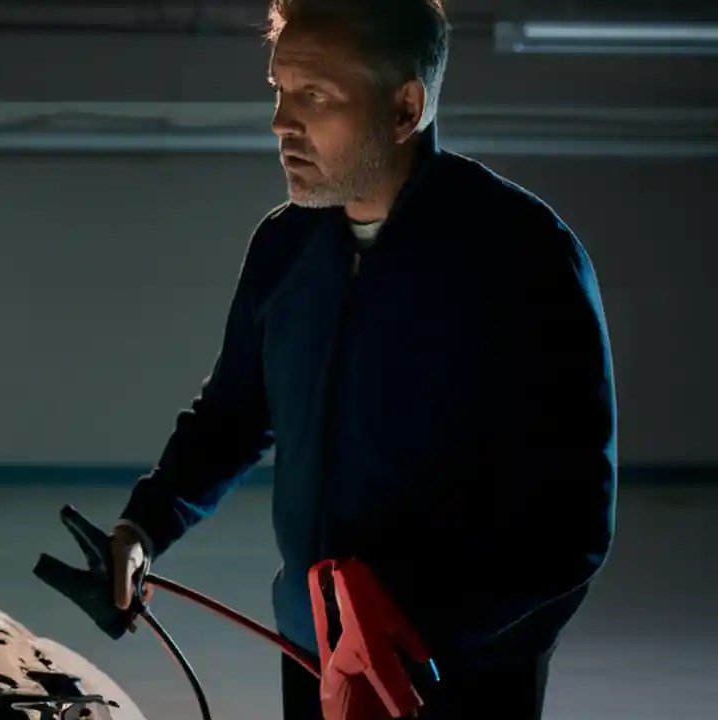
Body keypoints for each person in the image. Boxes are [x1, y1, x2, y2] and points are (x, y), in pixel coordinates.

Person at [108, 0, 619, 717]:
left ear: (405, 107)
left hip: (456, 675)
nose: (282, 122)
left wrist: (419, 637)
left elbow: (572, 522)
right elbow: (231, 414)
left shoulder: (523, 258)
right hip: (314, 650)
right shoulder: (284, 248)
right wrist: (144, 525)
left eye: (315, 96)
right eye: (279, 90)